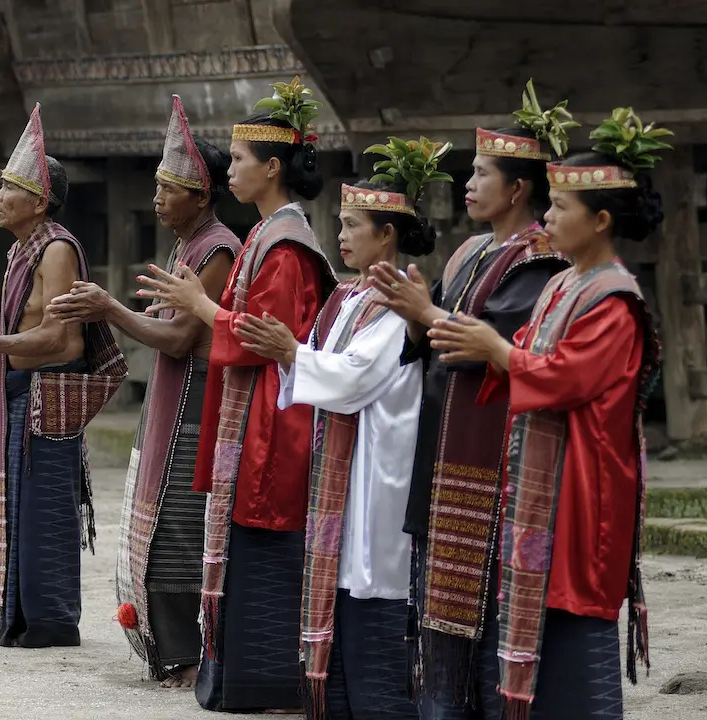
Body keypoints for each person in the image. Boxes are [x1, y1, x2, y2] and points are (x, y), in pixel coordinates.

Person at [426, 107, 668, 718]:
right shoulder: (564, 284)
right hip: (546, 476)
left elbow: (564, 376)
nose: (549, 217)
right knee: (538, 608)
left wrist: (497, 350)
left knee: (573, 612)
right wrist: (494, 350)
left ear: (601, 221)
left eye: (560, 207)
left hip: (583, 481)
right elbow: (528, 354)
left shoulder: (614, 298)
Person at [366, 81, 575, 719]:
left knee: (482, 597)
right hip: (444, 440)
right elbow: (434, 343)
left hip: (490, 450)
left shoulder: (538, 260)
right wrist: (412, 318)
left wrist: (425, 312)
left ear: (517, 189)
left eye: (482, 173)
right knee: (438, 593)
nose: (469, 182)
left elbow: (494, 344)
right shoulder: (468, 251)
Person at [134, 77, 338, 713]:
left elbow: (262, 339)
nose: (231, 169)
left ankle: (263, 681)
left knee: (264, 548)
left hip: (274, 419)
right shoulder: (263, 235)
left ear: (272, 167)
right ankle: (238, 678)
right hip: (254, 413)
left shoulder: (286, 245)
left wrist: (199, 304)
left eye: (241, 158)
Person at [236, 137, 450, 719]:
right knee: (344, 582)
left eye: (353, 225)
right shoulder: (349, 295)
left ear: (387, 233)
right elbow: (324, 363)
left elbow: (356, 377)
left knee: (374, 583)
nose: (341, 234)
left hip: (379, 467)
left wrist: (292, 354)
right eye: (341, 223)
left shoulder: (398, 301)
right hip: (345, 464)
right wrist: (293, 354)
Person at [48, 95, 242, 688]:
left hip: (196, 401)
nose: (157, 197)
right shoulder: (188, 245)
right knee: (156, 521)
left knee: (178, 527)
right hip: (171, 397)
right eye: (155, 185)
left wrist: (109, 308)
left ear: (201, 197)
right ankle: (172, 649)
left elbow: (181, 338)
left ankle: (191, 653)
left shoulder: (218, 248)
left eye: (168, 187)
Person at [0, 104, 129, 649]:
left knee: (46, 510)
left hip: (49, 396)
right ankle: (25, 619)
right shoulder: (23, 249)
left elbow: (62, 340)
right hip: (23, 392)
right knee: (22, 506)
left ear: (39, 202)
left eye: (10, 188)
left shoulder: (57, 249)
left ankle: (52, 621)